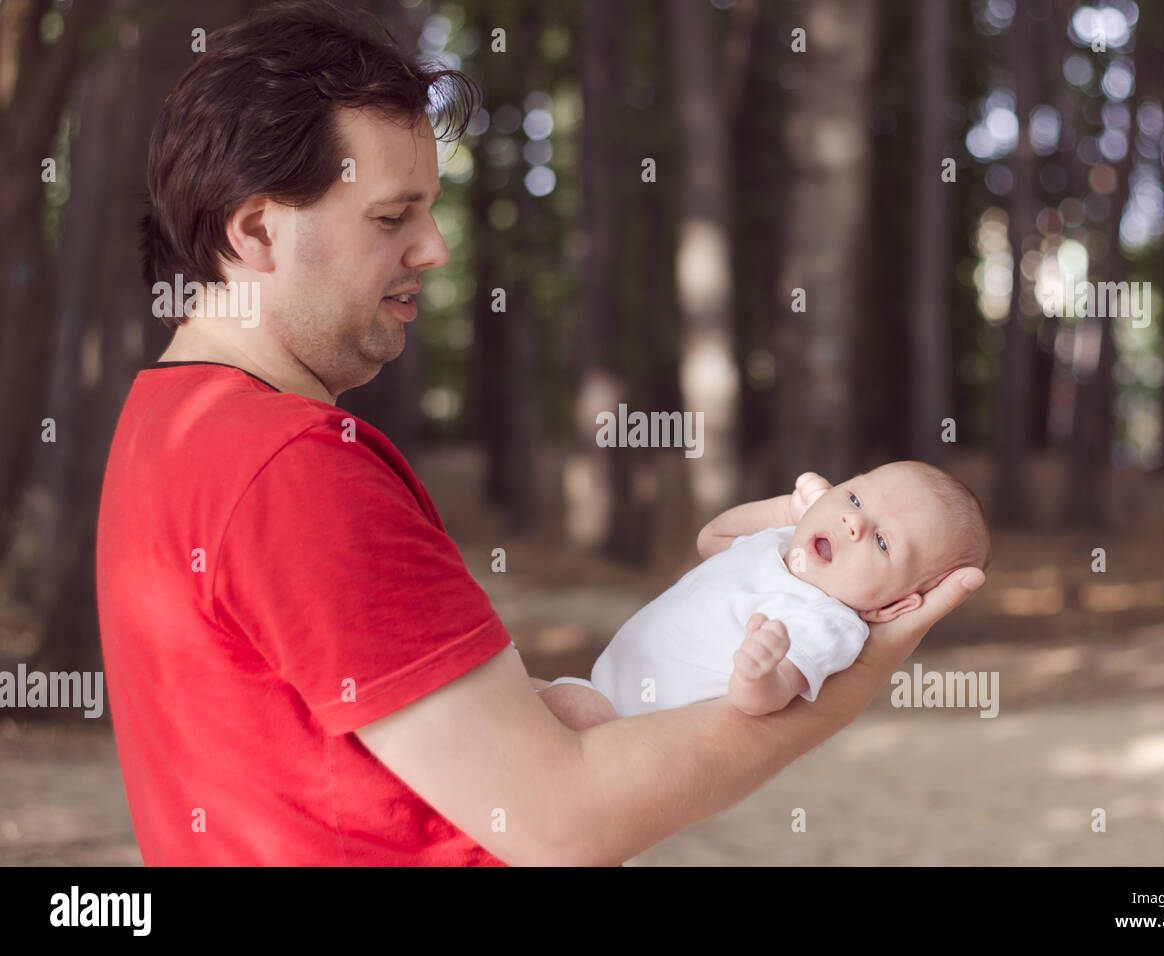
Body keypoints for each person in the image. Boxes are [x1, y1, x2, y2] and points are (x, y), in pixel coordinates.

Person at [96, 0, 985, 867]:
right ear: (257, 231)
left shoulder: (166, 424)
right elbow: (565, 824)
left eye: (430, 208)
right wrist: (840, 694)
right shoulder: (289, 470)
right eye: (390, 217)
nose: (435, 248)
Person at [539, 463, 991, 726]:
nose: (854, 523)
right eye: (854, 499)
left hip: (631, 724)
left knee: (521, 714)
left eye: (884, 542)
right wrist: (792, 510)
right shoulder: (781, 543)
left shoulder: (827, 622)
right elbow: (712, 538)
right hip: (603, 687)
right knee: (520, 697)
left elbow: (765, 700)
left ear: (893, 606)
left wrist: (758, 673)